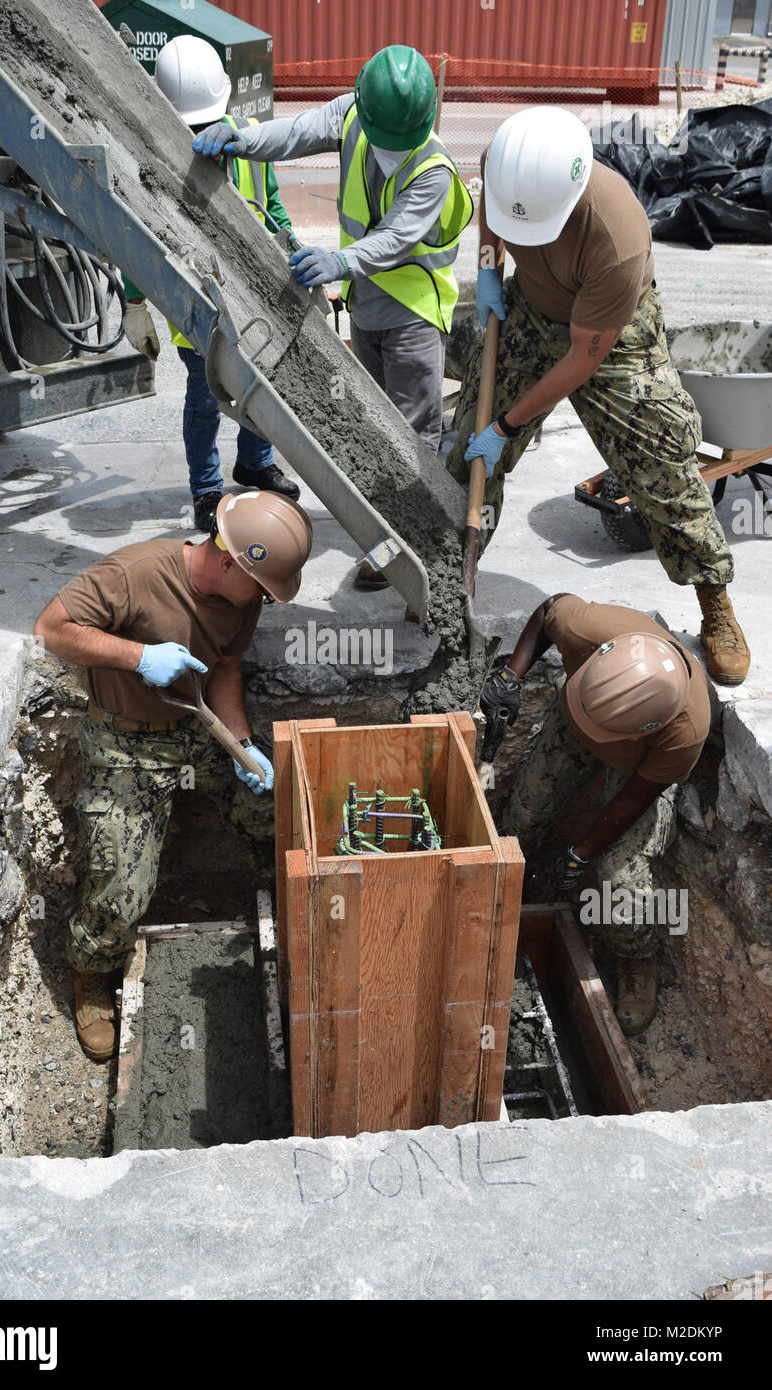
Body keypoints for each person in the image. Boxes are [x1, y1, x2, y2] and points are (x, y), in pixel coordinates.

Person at [452, 105, 749, 685]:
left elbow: (584, 358)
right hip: (533, 308)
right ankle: (447, 567)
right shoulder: (508, 162)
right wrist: (490, 267)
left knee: (661, 464)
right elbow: (491, 208)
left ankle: (714, 598)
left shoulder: (618, 236)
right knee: (466, 447)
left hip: (610, 336)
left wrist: (509, 426)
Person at [33, 490, 313, 1061]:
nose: (264, 600)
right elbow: (51, 629)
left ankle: (298, 914)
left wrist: (242, 744)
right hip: (125, 741)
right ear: (232, 560)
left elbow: (228, 669)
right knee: (121, 890)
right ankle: (93, 975)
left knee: (275, 813)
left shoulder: (243, 597)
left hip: (197, 728)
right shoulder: (134, 573)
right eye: (261, 587)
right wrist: (140, 657)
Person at [193, 43, 473, 589]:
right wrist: (243, 139)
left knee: (412, 434)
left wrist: (338, 260)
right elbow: (295, 133)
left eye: (402, 142)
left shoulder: (434, 169)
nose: (392, 150)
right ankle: (387, 525)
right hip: (368, 301)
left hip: (415, 310)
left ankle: (412, 548)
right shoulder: (353, 113)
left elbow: (395, 239)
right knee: (376, 423)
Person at [483, 593, 711, 1035]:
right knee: (521, 820)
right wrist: (512, 674)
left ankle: (634, 955)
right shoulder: (588, 628)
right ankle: (506, 893)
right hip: (573, 714)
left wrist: (582, 852)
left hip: (635, 772)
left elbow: (635, 798)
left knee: (618, 880)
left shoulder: (684, 731)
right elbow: (547, 613)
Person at [122, 35, 299, 533]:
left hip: (254, 301)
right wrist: (134, 301)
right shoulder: (154, 151)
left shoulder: (250, 141)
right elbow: (133, 233)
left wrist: (293, 254)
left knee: (261, 391)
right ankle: (206, 490)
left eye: (206, 121)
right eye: (190, 124)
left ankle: (254, 463)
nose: (199, 134)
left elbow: (275, 206)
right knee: (205, 401)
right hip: (195, 308)